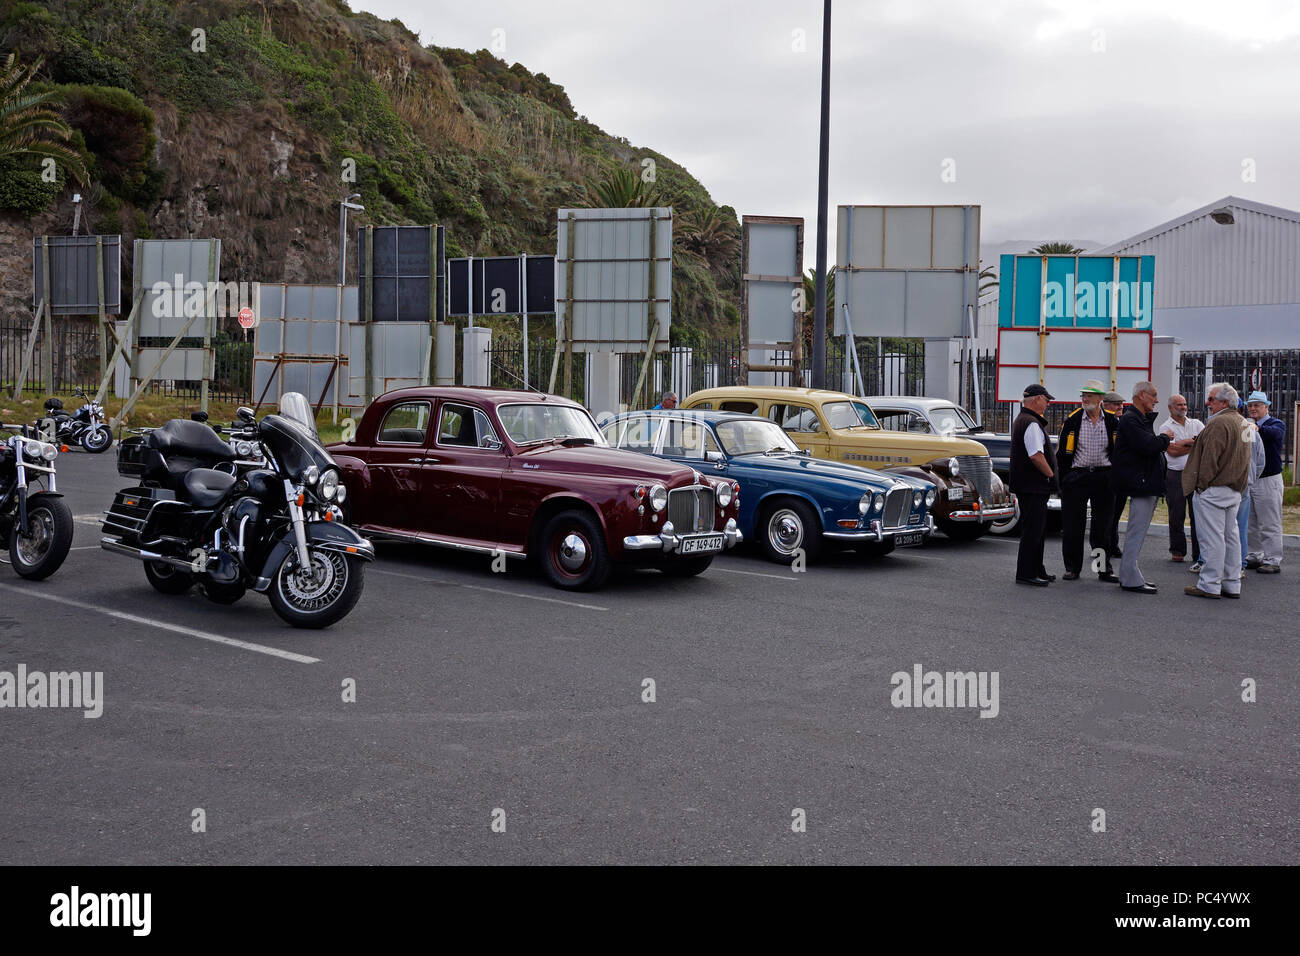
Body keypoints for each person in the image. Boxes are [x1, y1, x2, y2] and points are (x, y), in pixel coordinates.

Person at [1112, 382, 1192, 594]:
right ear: (1141, 395)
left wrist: (1162, 441)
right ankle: (1129, 578)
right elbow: (1147, 445)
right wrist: (1165, 438)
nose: (1157, 400)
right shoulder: (1131, 420)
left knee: (1137, 532)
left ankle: (1130, 575)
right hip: (1141, 484)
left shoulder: (1138, 419)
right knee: (1136, 532)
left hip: (1145, 483)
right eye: (1154, 396)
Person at [1181, 383, 1250, 598]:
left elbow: (1209, 459)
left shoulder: (1218, 423)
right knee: (1231, 538)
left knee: (1212, 539)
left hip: (1214, 489)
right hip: (1235, 488)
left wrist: (1202, 486)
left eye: (1211, 399)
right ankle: (1231, 584)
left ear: (1223, 402)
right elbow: (1247, 459)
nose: (1207, 403)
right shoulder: (1243, 422)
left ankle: (1209, 584)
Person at [1056, 379, 1119, 582]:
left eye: (1089, 396)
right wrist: (1065, 479)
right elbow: (1062, 453)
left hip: (1104, 477)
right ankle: (1072, 568)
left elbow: (1119, 451)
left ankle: (1101, 569)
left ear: (1100, 399)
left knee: (1102, 528)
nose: (1084, 399)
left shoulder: (1112, 421)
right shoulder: (1073, 420)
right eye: (1083, 395)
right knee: (1074, 526)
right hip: (1077, 477)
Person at [1009, 384, 1058, 587]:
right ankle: (1026, 572)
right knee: (1033, 530)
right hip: (1033, 485)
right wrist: (1051, 475)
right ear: (1037, 399)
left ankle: (1037, 569)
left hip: (1028, 485)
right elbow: (1036, 455)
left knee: (1037, 529)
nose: (1047, 404)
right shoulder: (1031, 423)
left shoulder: (1024, 419)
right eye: (1046, 400)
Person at [1243, 391, 1285, 573]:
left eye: (1256, 405)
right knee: (1250, 521)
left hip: (1268, 479)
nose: (1252, 408)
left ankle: (1273, 558)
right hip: (1251, 478)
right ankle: (1254, 554)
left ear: (1266, 407)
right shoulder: (1248, 425)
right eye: (1250, 405)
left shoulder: (1275, 424)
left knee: (1270, 521)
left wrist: (1257, 428)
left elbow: (1275, 434)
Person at [1160, 394, 1204, 567]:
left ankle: (1199, 553)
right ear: (1170, 408)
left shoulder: (1197, 424)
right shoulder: (1165, 427)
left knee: (1198, 515)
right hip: (1175, 474)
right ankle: (1177, 550)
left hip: (1195, 474)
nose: (1183, 407)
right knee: (1176, 514)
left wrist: (1183, 443)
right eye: (1179, 404)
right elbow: (1172, 451)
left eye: (1185, 404)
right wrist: (1193, 443)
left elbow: (1204, 445)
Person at [1236, 399, 1265, 573]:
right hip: (1246, 482)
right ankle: (1240, 564)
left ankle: (1232, 564)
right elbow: (1260, 460)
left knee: (1226, 526)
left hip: (1231, 484)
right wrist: (1252, 477)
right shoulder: (1250, 429)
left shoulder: (1229, 427)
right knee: (1242, 525)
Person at [1102, 391, 1127, 560]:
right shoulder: (1105, 423)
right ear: (1106, 405)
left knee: (1116, 512)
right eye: (1116, 404)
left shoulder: (1121, 422)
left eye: (1121, 404)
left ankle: (1113, 544)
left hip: (1121, 474)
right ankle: (1105, 545)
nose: (1120, 407)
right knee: (1107, 513)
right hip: (1108, 473)